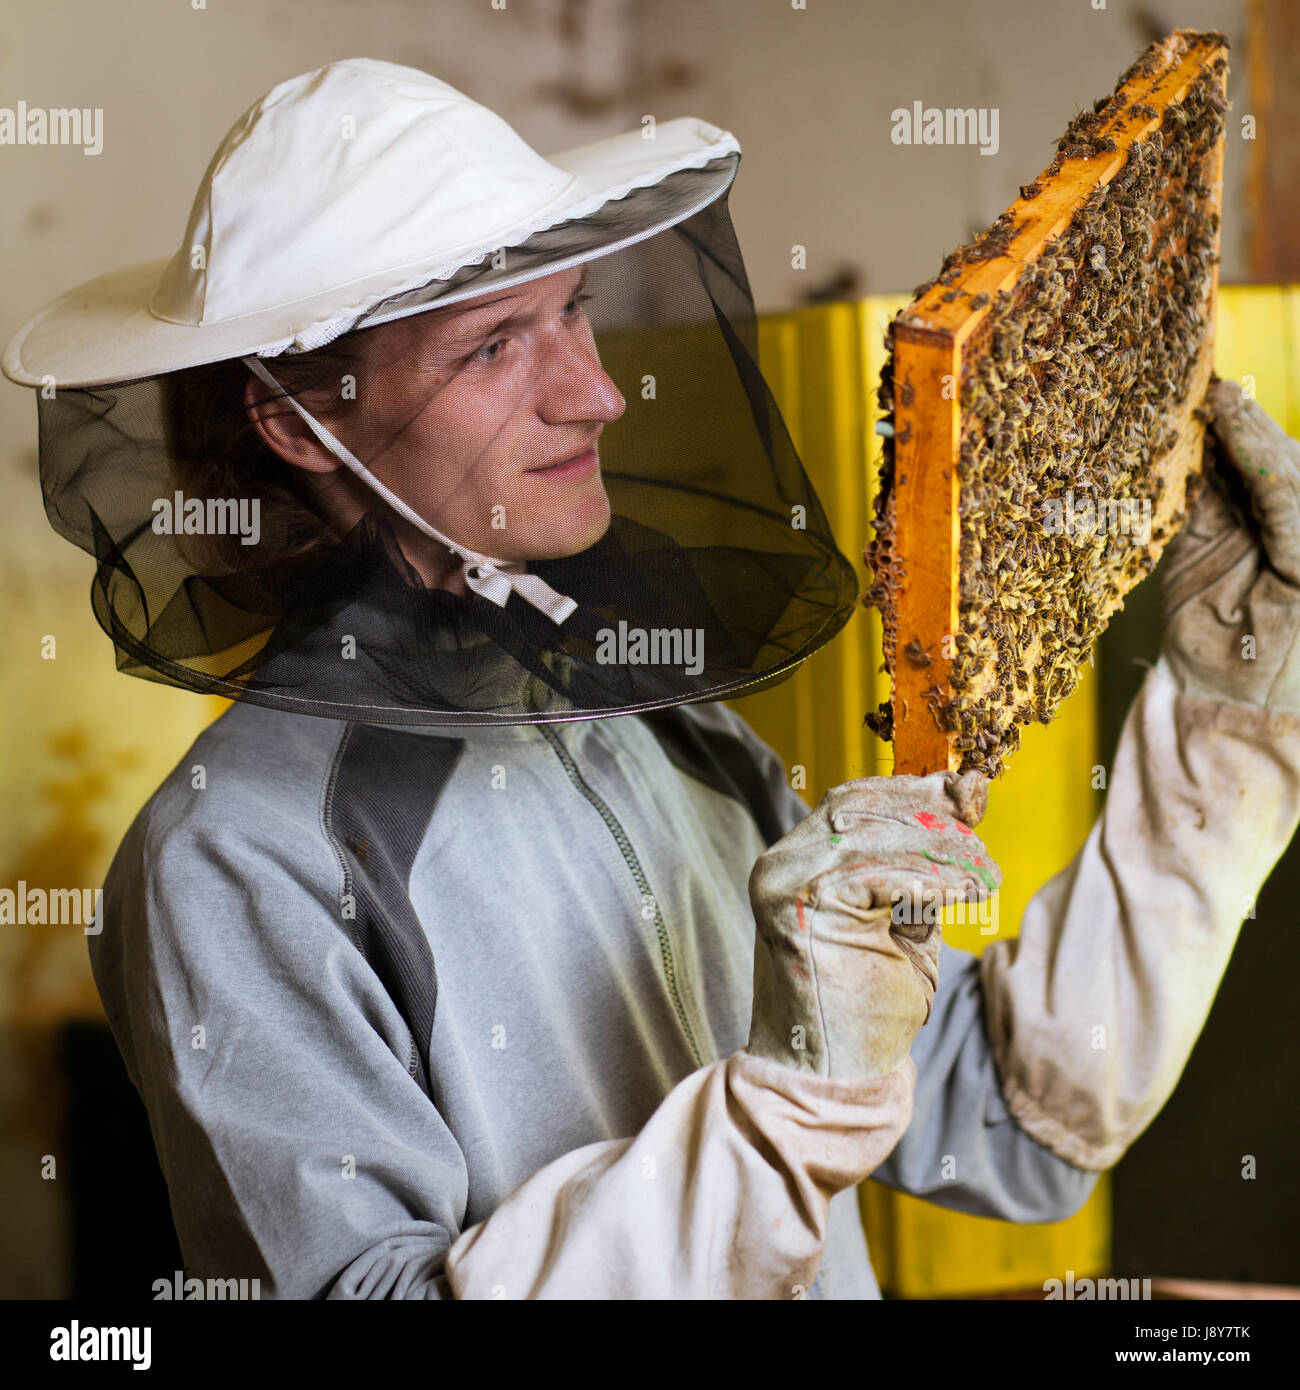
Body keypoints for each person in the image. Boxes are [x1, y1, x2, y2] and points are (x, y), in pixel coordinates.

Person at [5, 58, 1299, 1300]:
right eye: (494, 348)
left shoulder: (651, 719)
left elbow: (1008, 1116)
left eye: (570, 310)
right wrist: (777, 1111)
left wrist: (1227, 730)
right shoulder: (236, 859)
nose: (599, 393)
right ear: (297, 421)